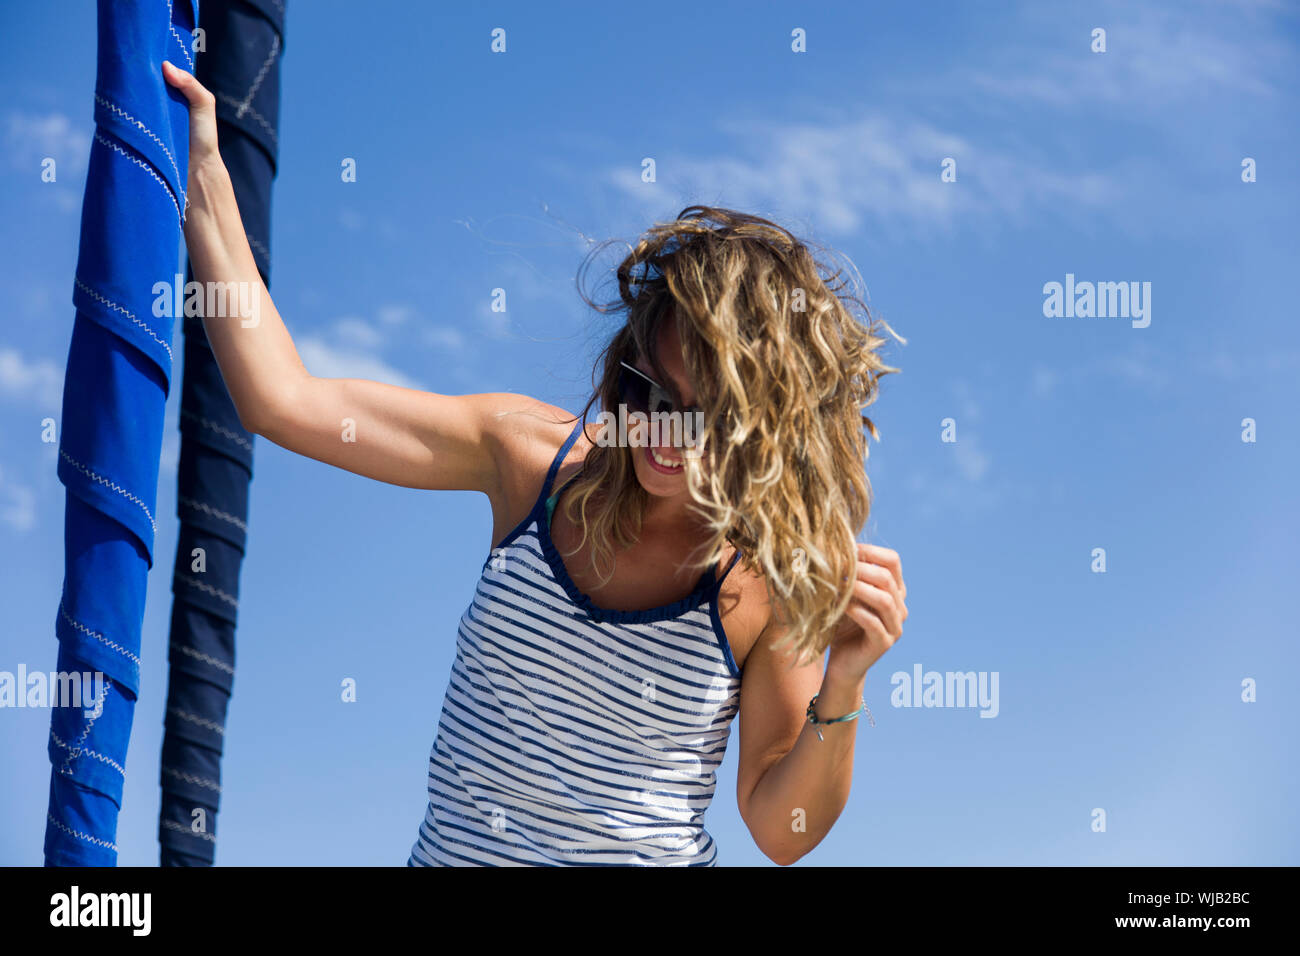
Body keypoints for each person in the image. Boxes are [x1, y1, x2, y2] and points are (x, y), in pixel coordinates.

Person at [163, 60, 909, 866]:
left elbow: (780, 829)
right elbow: (284, 401)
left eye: (703, 417)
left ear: (758, 426)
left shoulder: (764, 575)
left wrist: (845, 685)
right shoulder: (527, 460)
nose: (663, 434)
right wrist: (202, 168)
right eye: (647, 392)